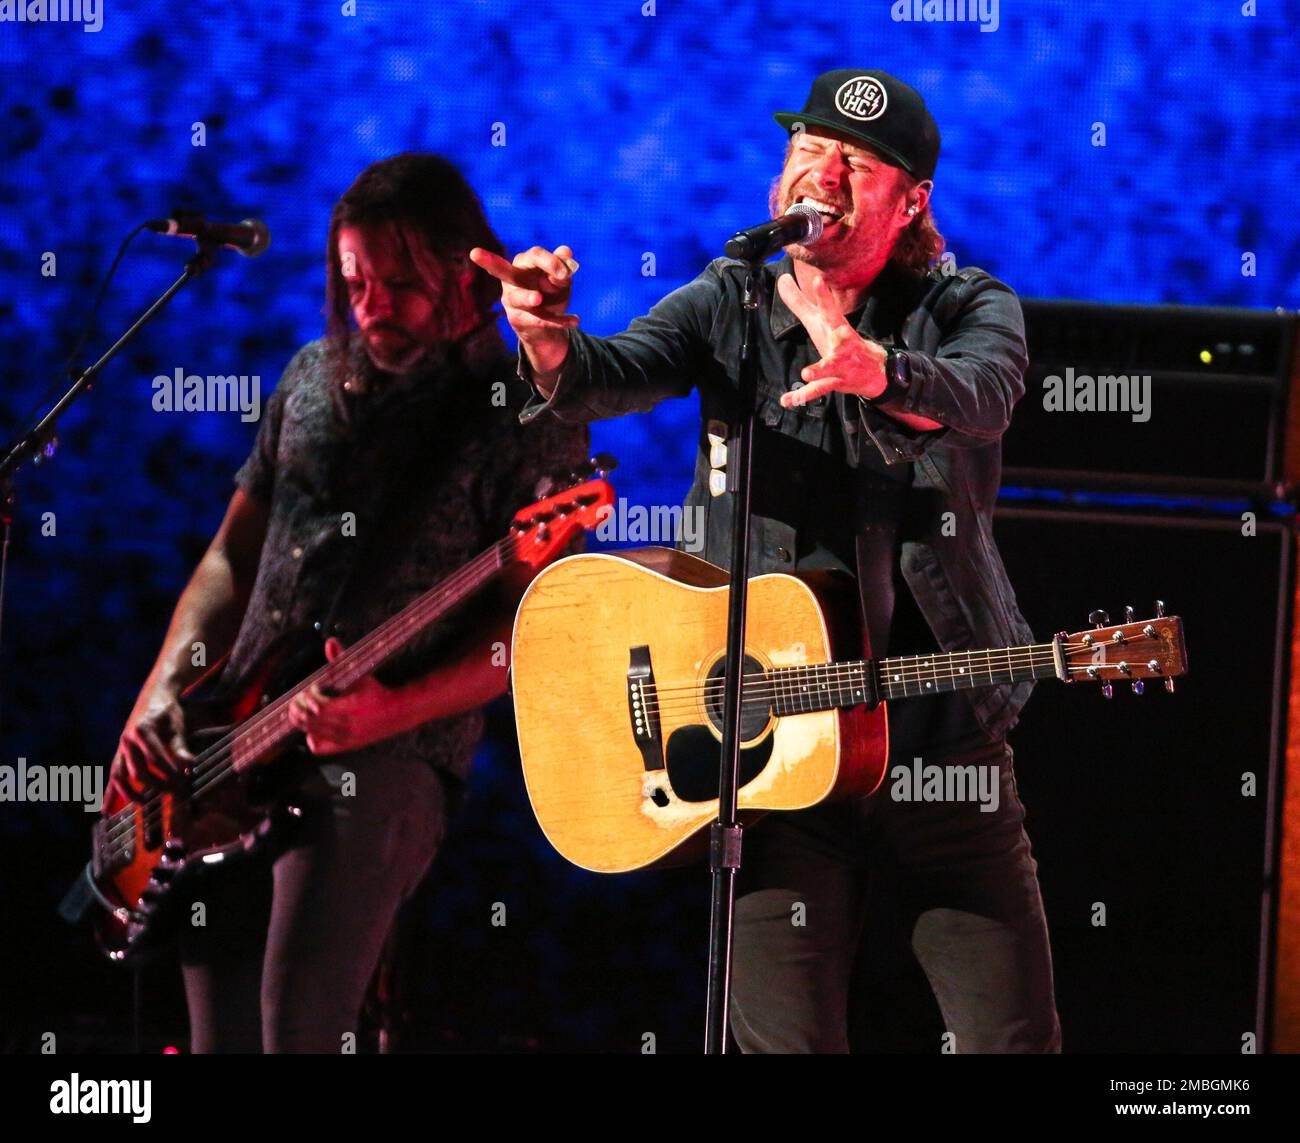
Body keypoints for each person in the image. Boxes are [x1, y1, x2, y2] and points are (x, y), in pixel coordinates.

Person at [471, 69, 1061, 1053]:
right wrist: (546, 343)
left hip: (939, 755)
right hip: (776, 759)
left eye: (856, 163)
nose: (819, 175)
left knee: (1012, 1039)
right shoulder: (728, 302)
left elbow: (983, 395)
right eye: (806, 150)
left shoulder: (967, 304)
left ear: (910, 199)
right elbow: (604, 378)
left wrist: (884, 373)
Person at [107, 152, 589, 1052]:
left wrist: (393, 706)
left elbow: (538, 632)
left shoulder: (525, 403)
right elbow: (230, 555)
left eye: (401, 283)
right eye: (353, 279)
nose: (371, 305)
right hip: (228, 744)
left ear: (466, 269)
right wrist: (160, 698)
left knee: (300, 1029)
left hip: (387, 757)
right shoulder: (306, 379)